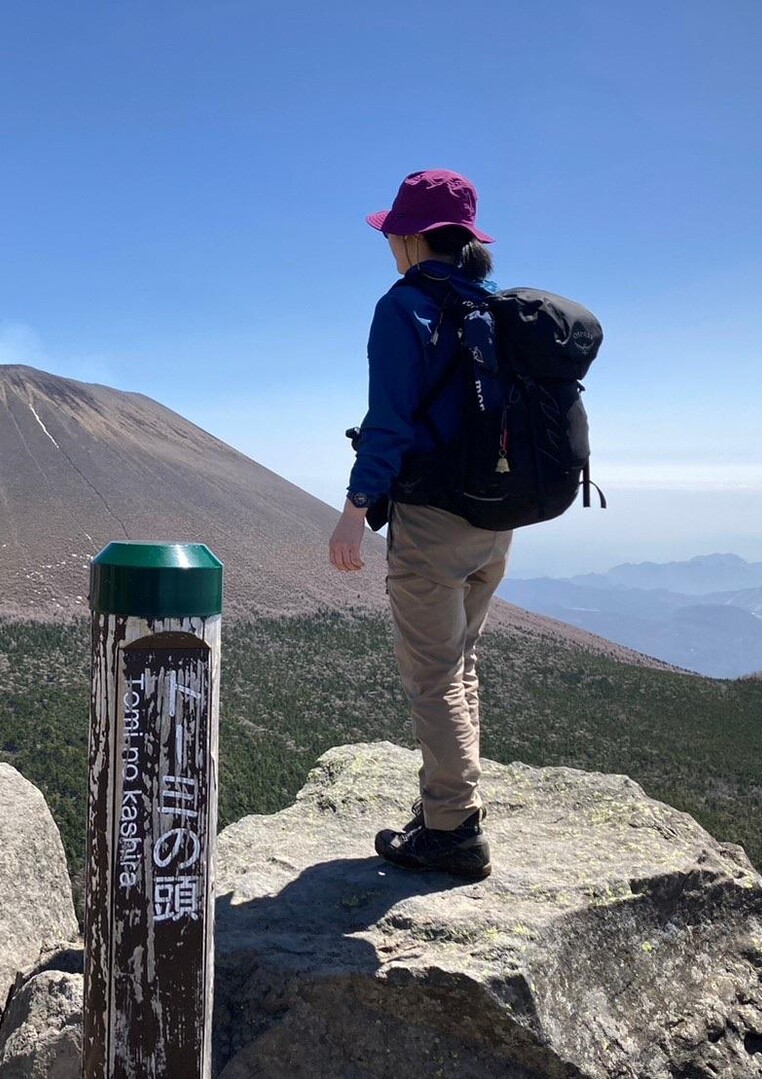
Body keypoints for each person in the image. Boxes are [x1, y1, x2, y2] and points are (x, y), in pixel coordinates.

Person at [328, 168, 510, 881]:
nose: (389, 245)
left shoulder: (404, 308)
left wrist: (353, 515)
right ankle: (448, 806)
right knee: (459, 661)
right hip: (495, 519)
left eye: (393, 234)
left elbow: (390, 423)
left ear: (410, 238)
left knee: (433, 673)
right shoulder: (488, 307)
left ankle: (453, 831)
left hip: (433, 521)